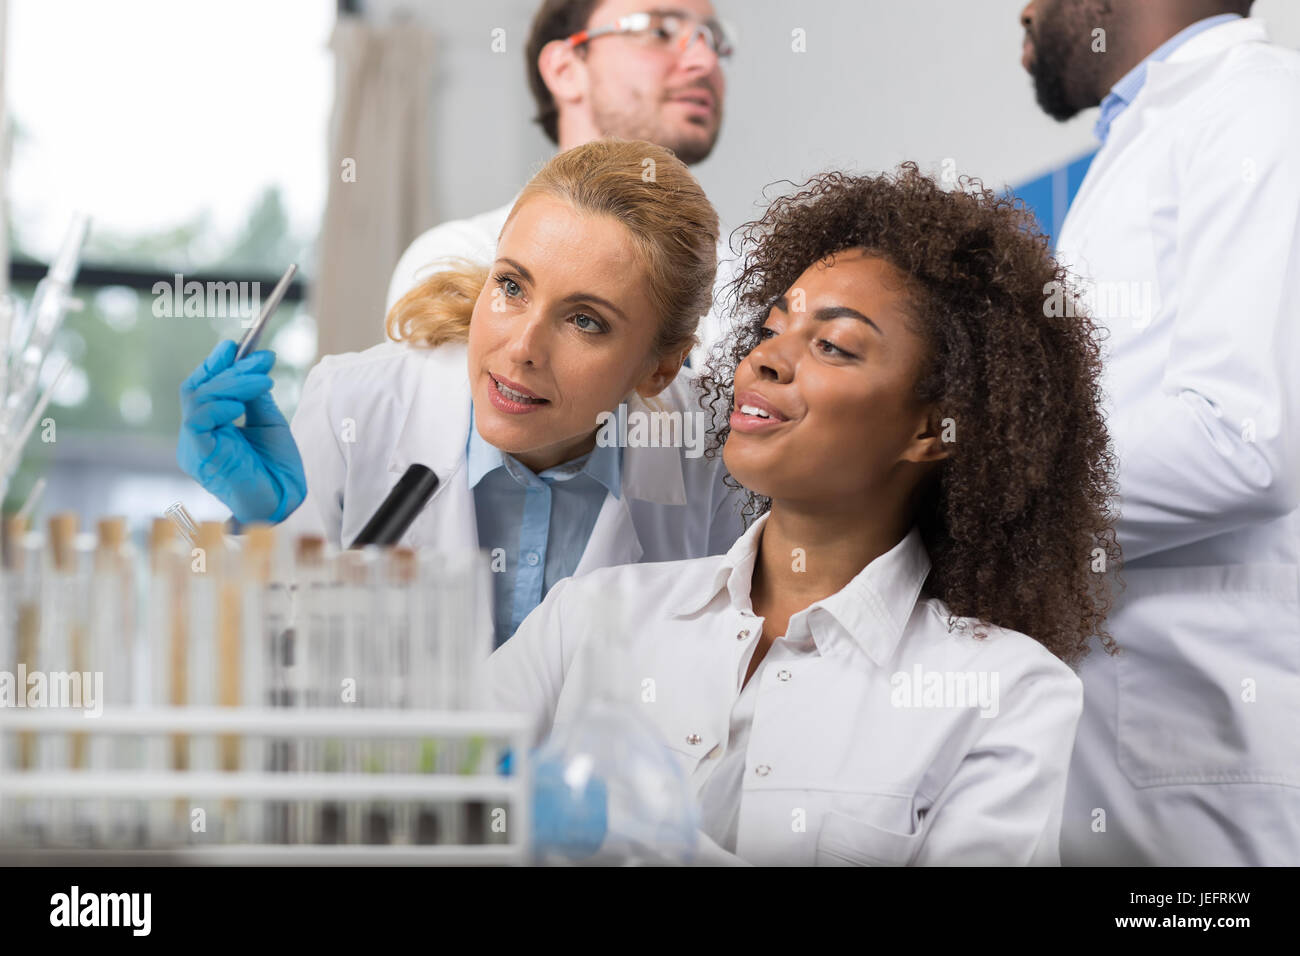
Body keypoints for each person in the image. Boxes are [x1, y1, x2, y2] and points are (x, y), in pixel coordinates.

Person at [487, 164, 1120, 865]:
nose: (764, 360)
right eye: (772, 327)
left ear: (933, 430)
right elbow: (428, 799)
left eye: (834, 347)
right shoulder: (592, 616)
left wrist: (643, 842)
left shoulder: (1008, 695)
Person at [177, 139, 743, 648]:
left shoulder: (710, 453)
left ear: (660, 369)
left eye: (586, 321)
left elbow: (723, 676)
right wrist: (252, 529)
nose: (523, 348)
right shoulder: (355, 407)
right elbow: (260, 660)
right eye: (511, 286)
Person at [1020, 0, 1300, 865]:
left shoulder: (1259, 108)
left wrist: (968, 486)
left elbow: (1242, 441)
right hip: (1142, 760)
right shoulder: (1155, 131)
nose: (1024, 10)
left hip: (1214, 769)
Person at [387, 0, 734, 367]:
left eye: (714, 40)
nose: (706, 61)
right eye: (659, 31)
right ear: (566, 70)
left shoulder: (757, 274)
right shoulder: (455, 259)